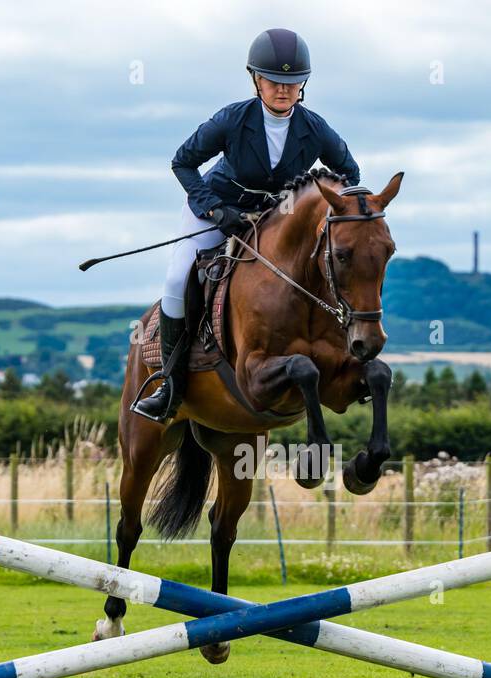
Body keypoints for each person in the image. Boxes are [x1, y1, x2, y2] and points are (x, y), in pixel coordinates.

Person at [132, 28, 362, 422]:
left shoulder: (315, 128)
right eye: (274, 81)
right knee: (176, 278)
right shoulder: (232, 119)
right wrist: (212, 209)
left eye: (292, 82)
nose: (283, 90)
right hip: (220, 209)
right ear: (256, 79)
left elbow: (349, 174)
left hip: (276, 219)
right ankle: (170, 385)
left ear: (303, 84)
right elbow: (182, 162)